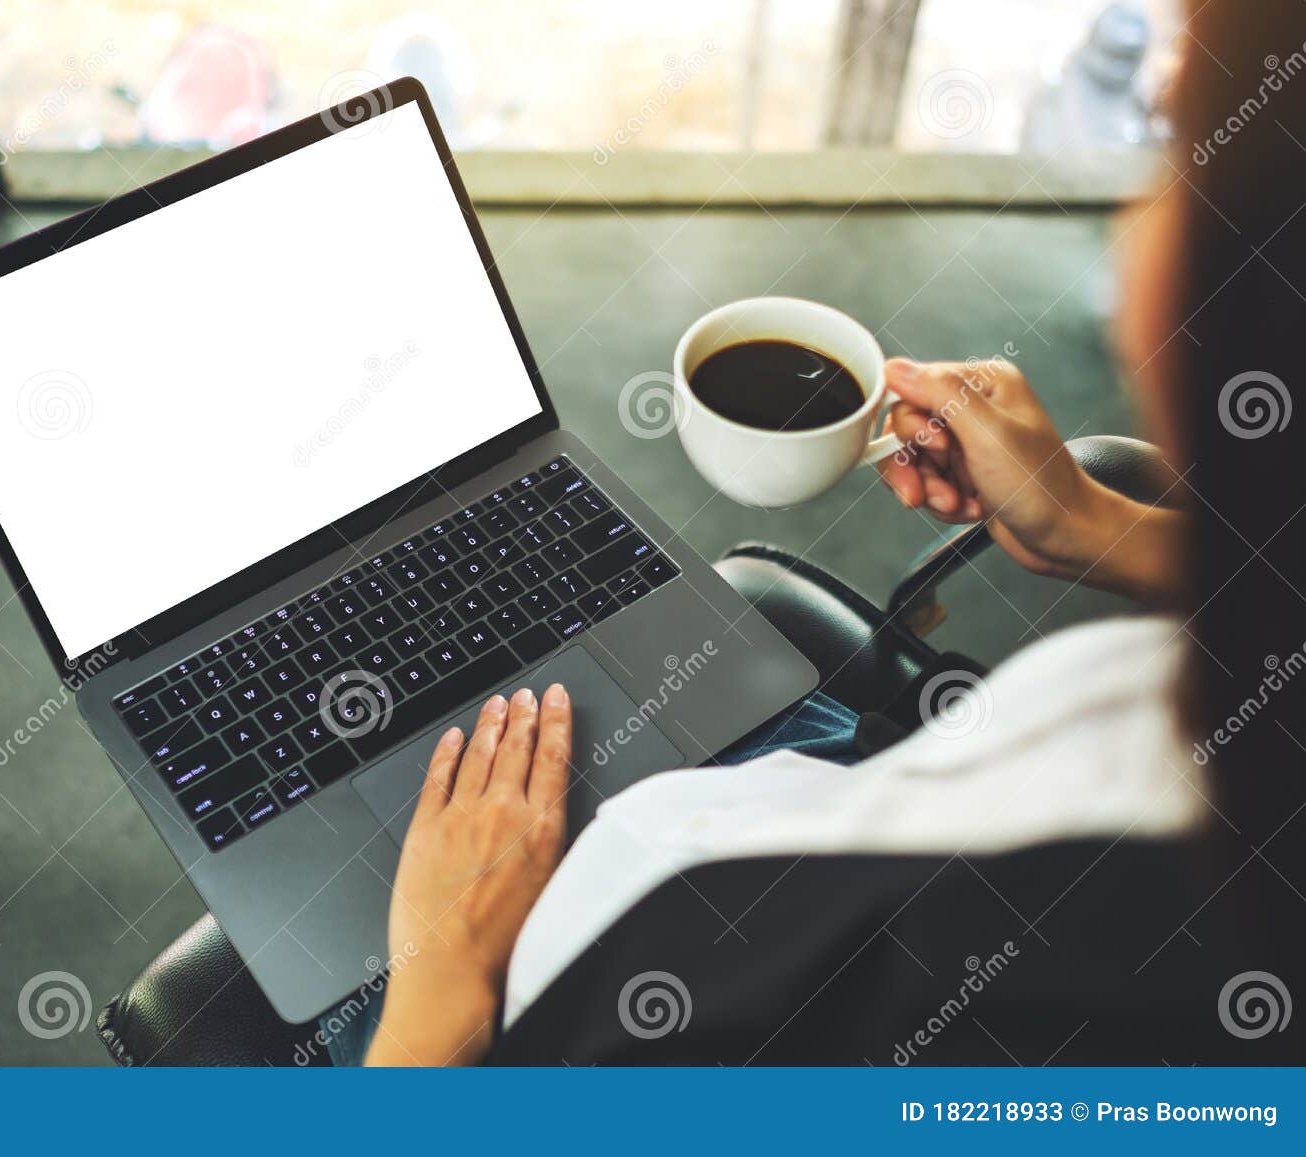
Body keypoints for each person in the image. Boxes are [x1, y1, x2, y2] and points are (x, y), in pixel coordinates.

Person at [344, 0, 1305, 1066]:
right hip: (819, 790)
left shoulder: (1031, 1007)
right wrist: (1105, 527)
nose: (1135, 224)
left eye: (1174, 148)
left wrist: (438, 990)